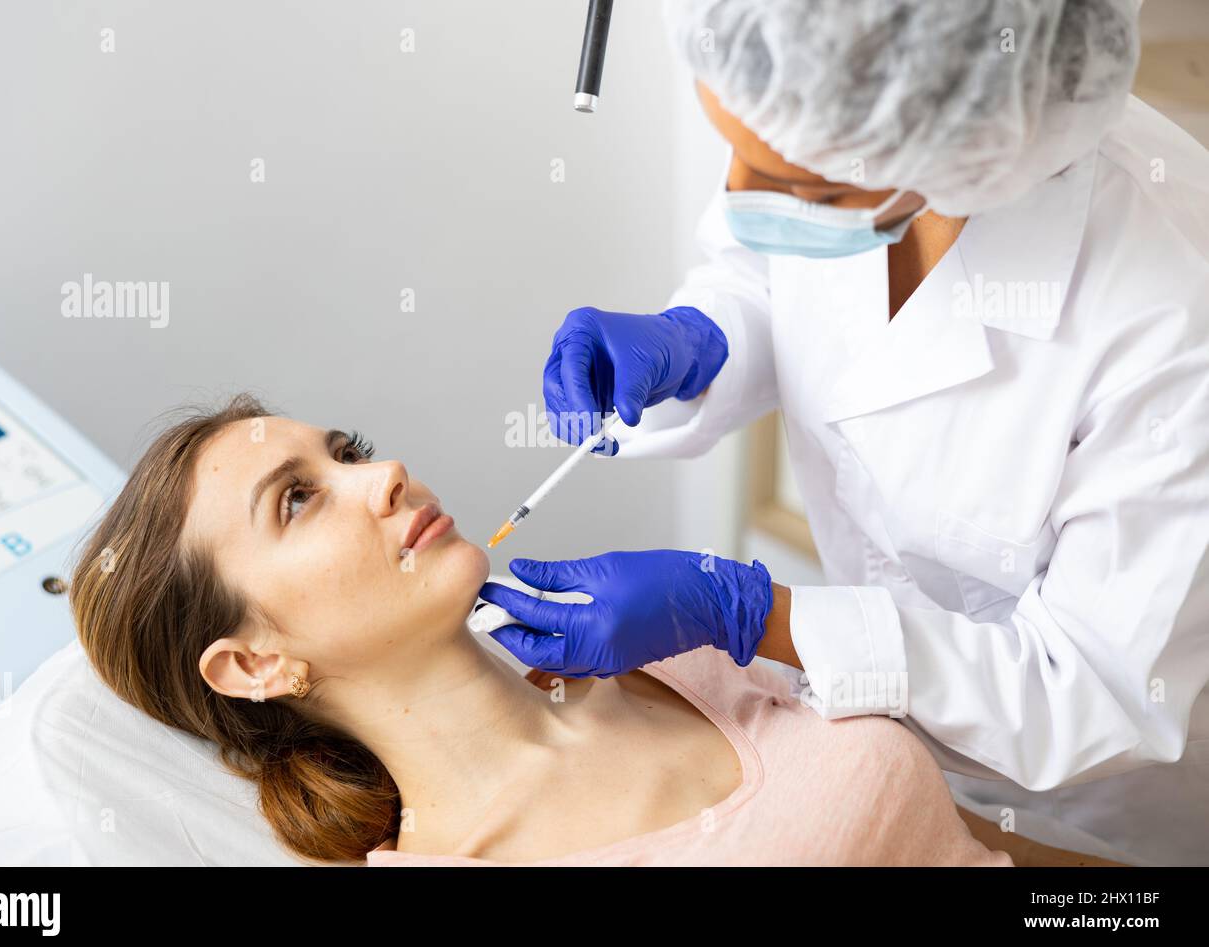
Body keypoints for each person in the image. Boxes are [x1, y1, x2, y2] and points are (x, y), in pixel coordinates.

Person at [480, 0, 1209, 865]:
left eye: (808, 187)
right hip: (875, 757)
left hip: (1086, 813)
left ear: (940, 139)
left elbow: (1090, 695)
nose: (743, 197)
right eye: (736, 153)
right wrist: (702, 336)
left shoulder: (1171, 316)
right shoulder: (827, 86)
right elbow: (769, 267)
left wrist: (749, 615)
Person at [66, 393, 1013, 866]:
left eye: (344, 451)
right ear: (256, 662)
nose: (385, 470)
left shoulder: (667, 654)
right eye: (300, 500)